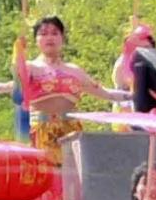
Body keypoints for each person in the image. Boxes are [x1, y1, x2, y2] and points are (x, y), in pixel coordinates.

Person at [10, 13, 94, 156]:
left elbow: (104, 92)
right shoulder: (30, 67)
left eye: (55, 33)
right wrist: (19, 53)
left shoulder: (75, 70)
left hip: (71, 131)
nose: (49, 37)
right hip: (41, 131)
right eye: (43, 34)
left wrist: (131, 95)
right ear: (36, 40)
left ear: (63, 38)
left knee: (72, 175)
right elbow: (19, 80)